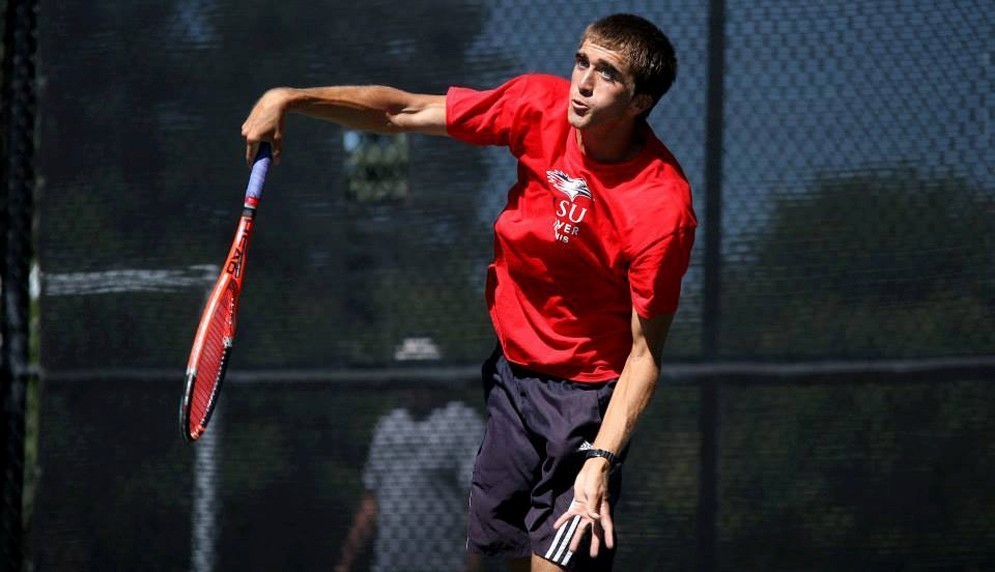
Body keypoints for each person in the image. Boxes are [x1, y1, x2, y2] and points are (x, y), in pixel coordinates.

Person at [241, 13, 696, 571]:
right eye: (581, 61)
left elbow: (645, 356)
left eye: (607, 74)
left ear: (640, 101)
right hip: (512, 380)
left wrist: (600, 457)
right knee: (494, 558)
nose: (583, 81)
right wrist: (289, 98)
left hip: (586, 400)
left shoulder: (661, 207)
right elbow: (401, 110)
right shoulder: (536, 104)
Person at [333, 389, 484, 572]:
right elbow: (371, 502)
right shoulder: (389, 426)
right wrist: (345, 563)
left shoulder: (461, 422)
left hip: (444, 565)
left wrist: (472, 565)